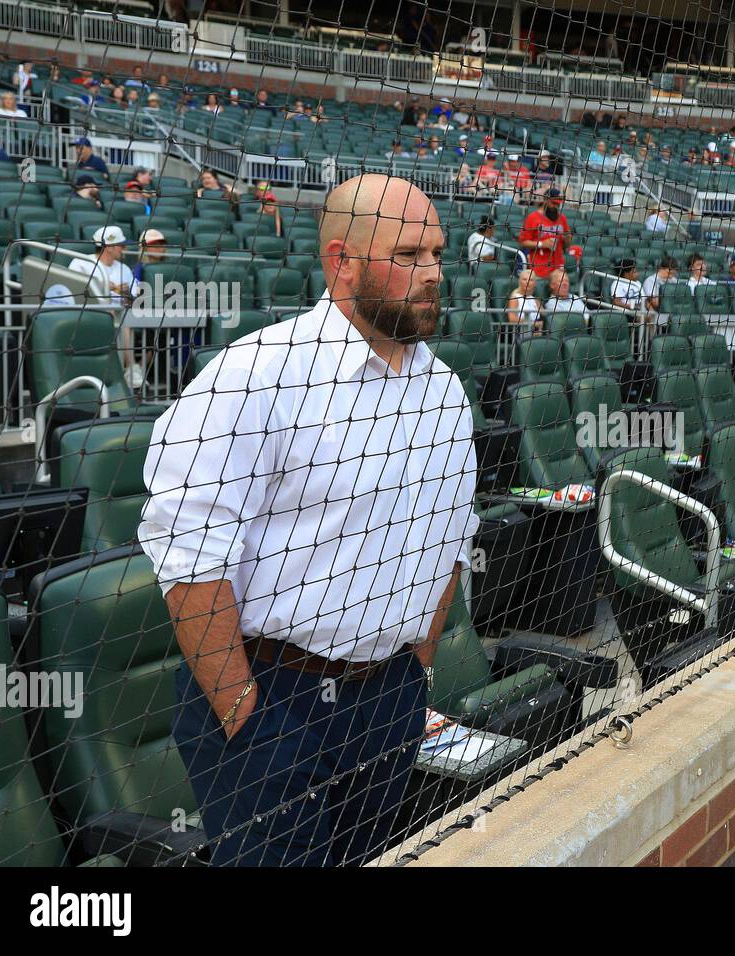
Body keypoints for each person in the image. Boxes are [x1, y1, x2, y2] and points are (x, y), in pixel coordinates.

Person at [140, 174, 475, 867]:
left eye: (438, 255)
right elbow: (189, 554)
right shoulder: (257, 375)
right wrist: (244, 714)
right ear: (340, 261)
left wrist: (413, 672)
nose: (434, 274)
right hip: (273, 697)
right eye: (409, 255)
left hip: (386, 705)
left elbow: (450, 538)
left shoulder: (444, 390)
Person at [70, 224, 144, 387]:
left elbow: (133, 298)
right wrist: (106, 286)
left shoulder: (123, 268)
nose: (123, 249)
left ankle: (130, 369)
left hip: (118, 315)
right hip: (88, 315)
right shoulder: (81, 263)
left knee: (124, 317)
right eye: (121, 245)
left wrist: (125, 293)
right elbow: (75, 293)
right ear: (109, 247)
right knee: (115, 314)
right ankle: (130, 368)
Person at [518, 188, 571, 279]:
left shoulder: (562, 218)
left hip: (558, 268)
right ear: (545, 200)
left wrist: (567, 239)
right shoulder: (533, 217)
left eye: (558, 204)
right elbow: (523, 242)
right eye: (553, 203)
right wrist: (542, 244)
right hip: (539, 269)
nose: (556, 207)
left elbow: (566, 246)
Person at [640, 256, 677, 323]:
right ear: (661, 268)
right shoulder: (651, 280)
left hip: (672, 312)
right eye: (669, 273)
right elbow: (655, 302)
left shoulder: (674, 281)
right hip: (656, 311)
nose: (671, 276)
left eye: (673, 273)